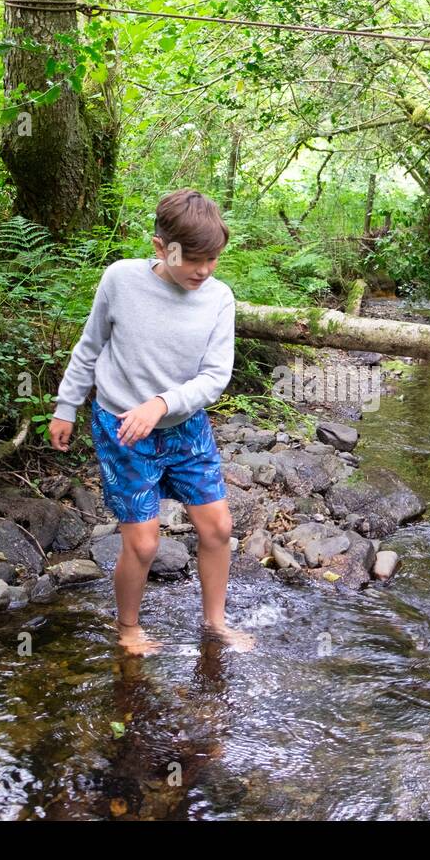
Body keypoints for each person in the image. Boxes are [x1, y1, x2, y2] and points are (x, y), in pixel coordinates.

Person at [48, 189, 254, 656]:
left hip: (184, 426)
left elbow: (215, 377)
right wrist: (66, 406)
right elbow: (90, 347)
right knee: (142, 544)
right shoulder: (121, 279)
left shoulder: (219, 299)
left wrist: (161, 405)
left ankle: (215, 623)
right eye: (194, 260)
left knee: (218, 526)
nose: (204, 270)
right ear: (162, 248)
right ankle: (127, 630)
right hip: (122, 426)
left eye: (214, 259)